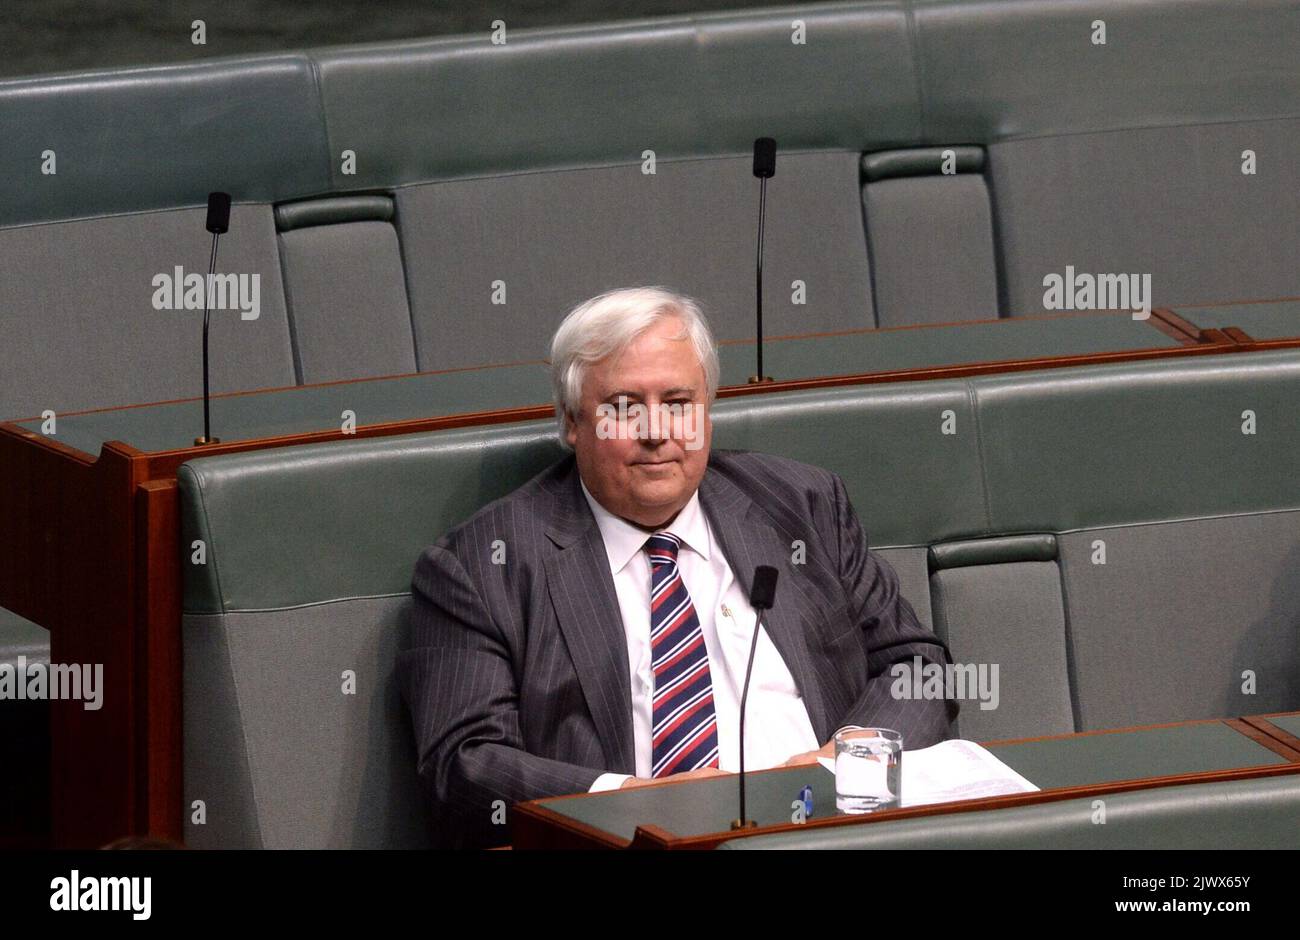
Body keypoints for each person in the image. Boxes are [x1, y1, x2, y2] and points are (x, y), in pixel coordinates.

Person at [398, 286, 957, 847]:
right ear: (572, 422)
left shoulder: (803, 505)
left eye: (678, 402)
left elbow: (918, 666)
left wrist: (846, 759)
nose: (657, 430)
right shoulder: (480, 567)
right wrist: (636, 803)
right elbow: (462, 767)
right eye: (624, 407)